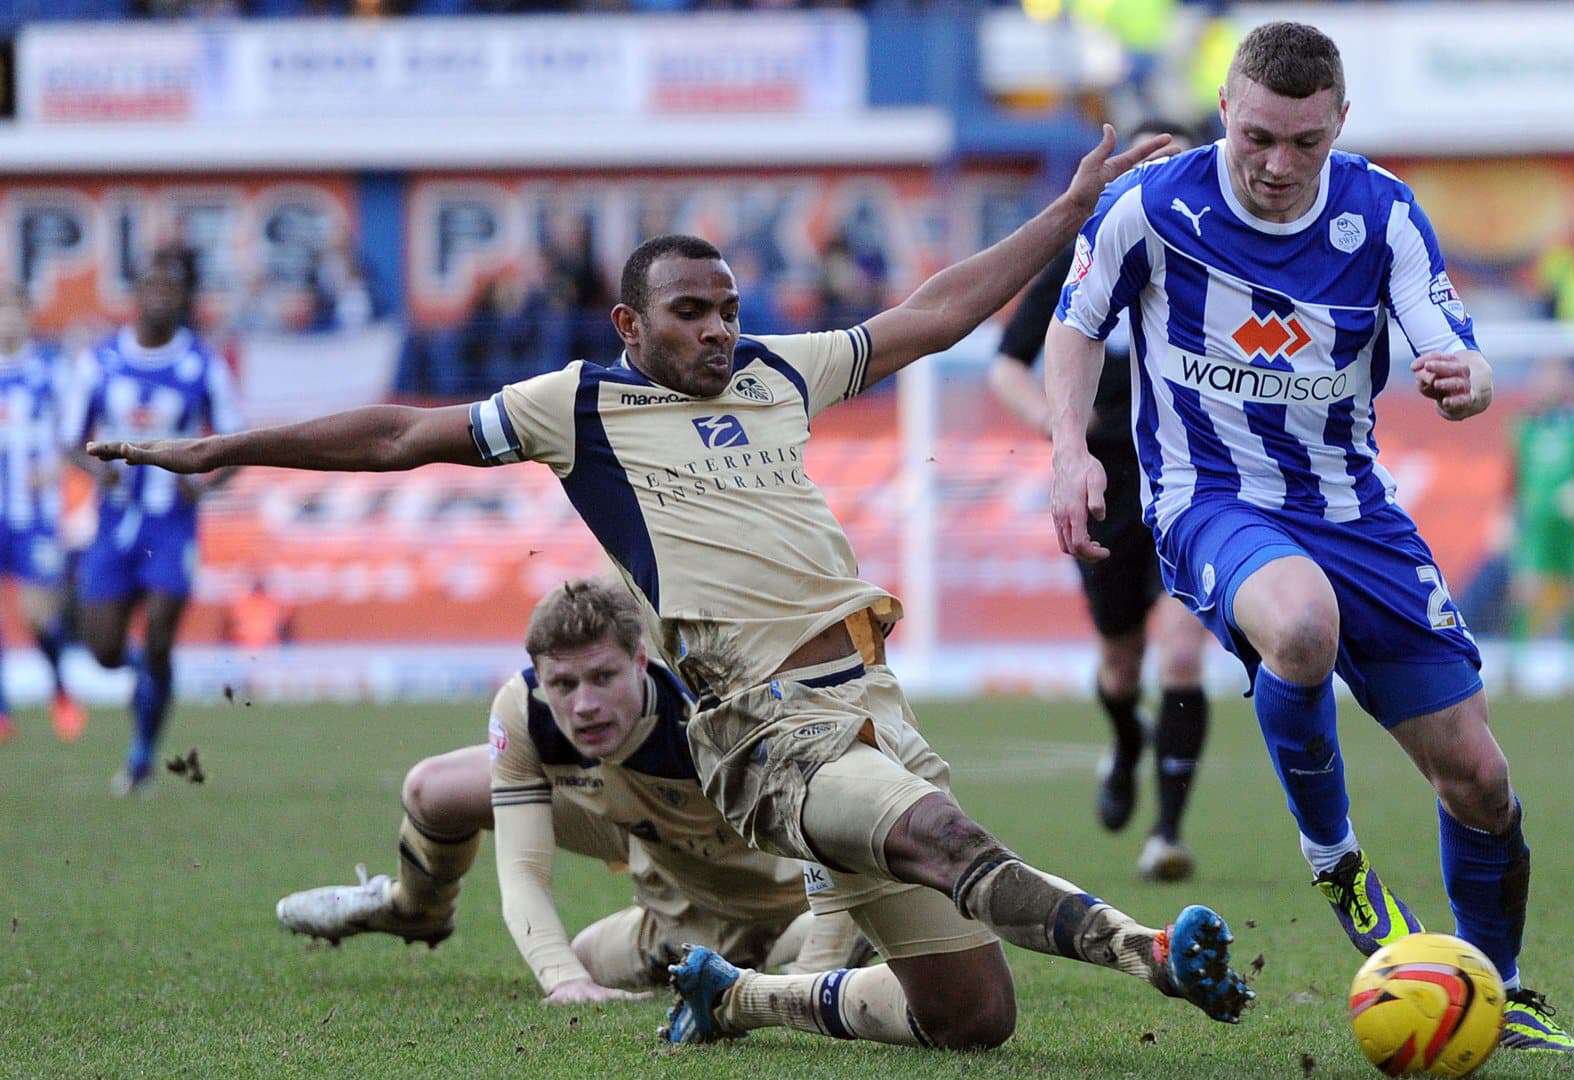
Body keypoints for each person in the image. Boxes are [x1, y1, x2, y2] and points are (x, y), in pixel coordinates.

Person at [90, 127, 1253, 1052]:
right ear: (629, 323)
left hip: (874, 708)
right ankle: (1144, 949)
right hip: (765, 727)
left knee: (971, 1020)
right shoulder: (577, 405)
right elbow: (400, 434)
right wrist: (223, 446)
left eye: (728, 308)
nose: (716, 330)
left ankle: (735, 999)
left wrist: (1066, 214)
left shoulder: (776, 373)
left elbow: (937, 315)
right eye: (690, 313)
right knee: (942, 835)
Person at [1045, 22, 1574, 1053]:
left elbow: (1444, 338)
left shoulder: (1382, 212)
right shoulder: (1154, 206)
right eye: (1257, 139)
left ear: (1340, 124)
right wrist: (1071, 448)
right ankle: (1335, 857)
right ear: (1225, 117)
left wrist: (1467, 381)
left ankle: (1497, 989)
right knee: (1298, 624)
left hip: (1354, 510)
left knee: (1479, 777)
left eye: (1304, 143)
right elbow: (1075, 327)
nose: (1279, 165)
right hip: (1209, 498)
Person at [273, 579, 869, 1002]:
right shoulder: (524, 709)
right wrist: (566, 984)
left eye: (603, 677)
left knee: (855, 933)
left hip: (782, 905)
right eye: (563, 682)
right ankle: (413, 911)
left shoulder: (713, 716)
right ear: (539, 674)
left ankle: (746, 961)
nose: (583, 704)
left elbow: (844, 854)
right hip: (650, 847)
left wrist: (810, 991)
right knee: (433, 790)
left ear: (640, 662)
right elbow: (524, 871)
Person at [989, 120, 1216, 881]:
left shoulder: (1223, 260)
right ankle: (1124, 742)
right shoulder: (1082, 260)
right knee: (1122, 664)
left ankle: (1168, 832)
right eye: (1146, 164)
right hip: (1106, 481)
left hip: (1197, 479)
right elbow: (1007, 367)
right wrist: (1064, 430)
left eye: (1179, 164)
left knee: (1183, 651)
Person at [62, 257, 242, 794]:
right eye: (153, 287)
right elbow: (72, 440)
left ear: (182, 299)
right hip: (115, 524)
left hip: (172, 525)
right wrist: (99, 470)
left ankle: (141, 755)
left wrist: (203, 484)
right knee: (103, 648)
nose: (162, 297)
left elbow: (235, 445)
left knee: (162, 635)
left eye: (172, 289)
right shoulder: (100, 361)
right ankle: (145, 678)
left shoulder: (203, 364)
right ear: (135, 295)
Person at [0, 288, 87, 744]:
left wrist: (51, 469)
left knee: (36, 615)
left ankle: (61, 688)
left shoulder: (51, 370)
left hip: (35, 515)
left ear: (27, 318)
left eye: (13, 313)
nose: (7, 323)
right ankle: (1, 710)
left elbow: (74, 436)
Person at [1507, 359, 1574, 642]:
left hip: (1568, 521)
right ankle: (1516, 662)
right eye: (1540, 379)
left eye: (1552, 379)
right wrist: (1507, 515)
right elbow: (1513, 476)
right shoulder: (1524, 428)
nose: (1545, 385)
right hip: (1535, 521)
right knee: (1525, 590)